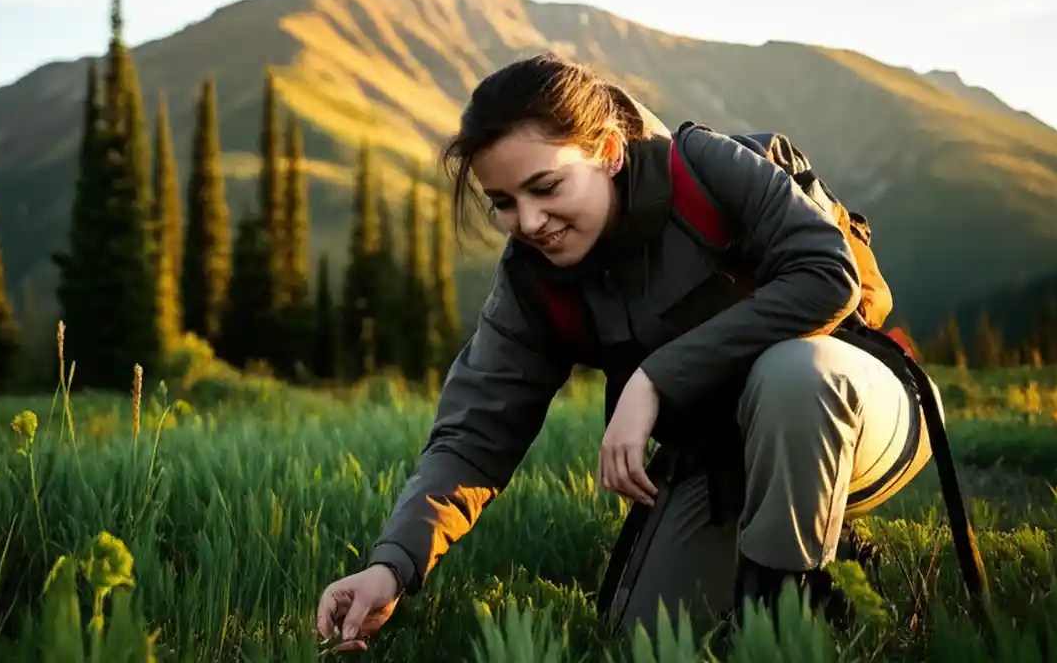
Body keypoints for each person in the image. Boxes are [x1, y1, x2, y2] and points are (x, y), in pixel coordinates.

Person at [314, 52, 940, 653]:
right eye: (503, 203)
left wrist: (655, 378)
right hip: (724, 460)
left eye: (546, 186)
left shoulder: (705, 168)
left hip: (856, 415)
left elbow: (827, 276)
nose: (529, 222)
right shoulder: (531, 281)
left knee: (793, 373)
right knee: (644, 642)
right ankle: (815, 561)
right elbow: (473, 436)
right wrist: (391, 566)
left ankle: (785, 624)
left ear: (609, 152)